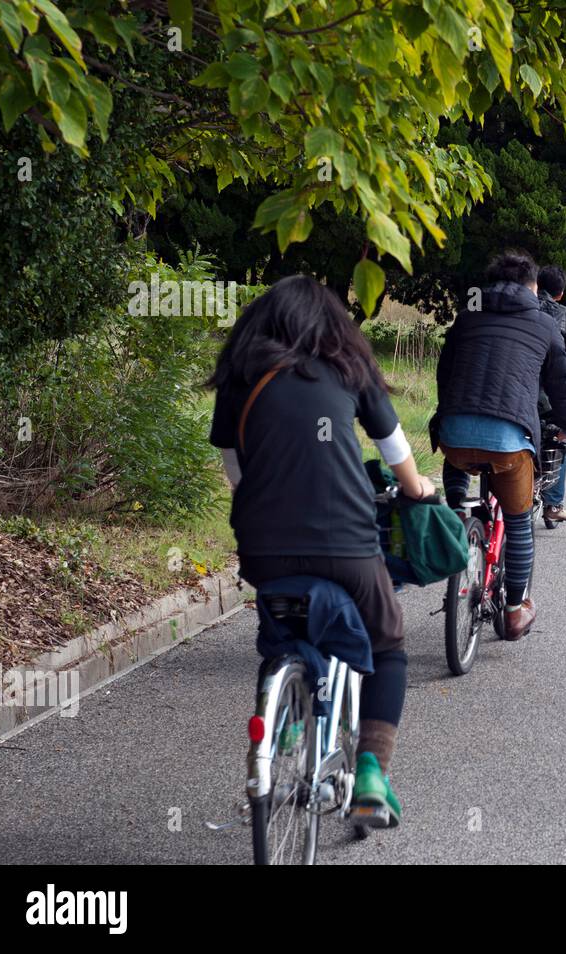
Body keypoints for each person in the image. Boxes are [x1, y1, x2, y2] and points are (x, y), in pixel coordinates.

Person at [207, 274, 433, 829]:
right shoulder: (348, 367)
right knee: (388, 644)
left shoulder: (241, 378)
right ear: (331, 324)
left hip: (264, 549)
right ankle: (374, 775)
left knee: (287, 624)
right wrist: (416, 487)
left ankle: (283, 720)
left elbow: (238, 473)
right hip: (347, 545)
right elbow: (394, 448)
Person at [431, 250, 566, 639]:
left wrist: (450, 415)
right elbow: (560, 386)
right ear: (533, 286)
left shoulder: (465, 319)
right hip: (509, 442)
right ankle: (514, 610)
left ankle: (459, 509)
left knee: (458, 454)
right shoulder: (545, 325)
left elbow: (444, 374)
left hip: (455, 435)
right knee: (518, 522)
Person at [536, 265, 566, 523]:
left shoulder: (521, 310)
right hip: (546, 394)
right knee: (562, 438)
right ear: (560, 293)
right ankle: (553, 504)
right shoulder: (563, 315)